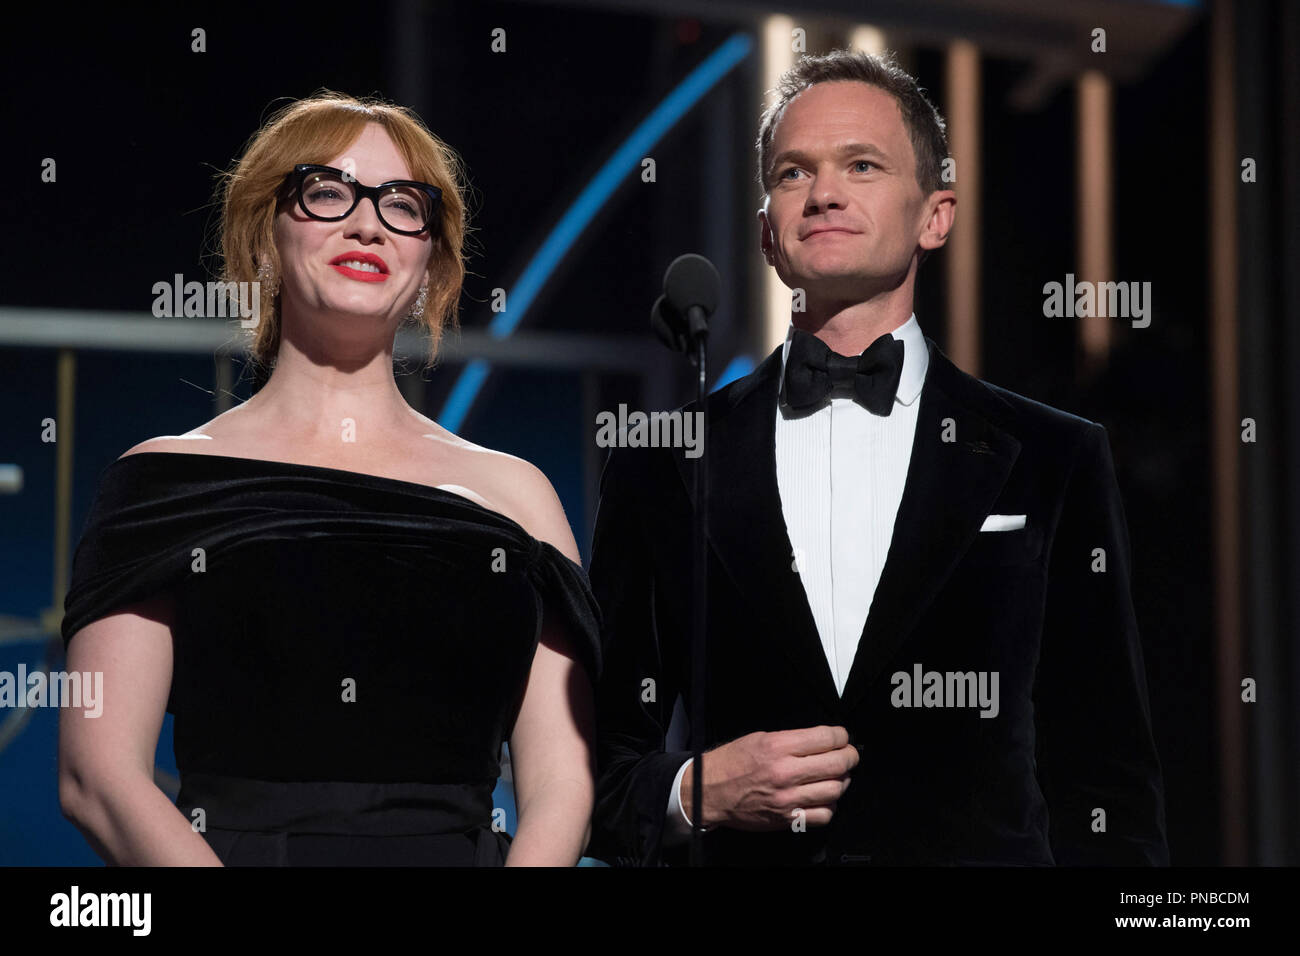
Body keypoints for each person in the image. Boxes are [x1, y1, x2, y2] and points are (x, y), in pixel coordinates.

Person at [587, 50, 1169, 866]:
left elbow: (1107, 776)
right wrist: (693, 791)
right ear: (766, 233)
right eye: (793, 173)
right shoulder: (662, 465)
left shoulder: (1054, 456)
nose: (823, 192)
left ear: (936, 215)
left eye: (862, 165)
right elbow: (593, 779)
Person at [57, 91, 600, 866]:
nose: (368, 223)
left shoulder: (517, 497)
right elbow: (98, 776)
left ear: (430, 259)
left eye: (404, 205)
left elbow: (565, 786)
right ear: (265, 229)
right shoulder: (166, 484)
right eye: (327, 191)